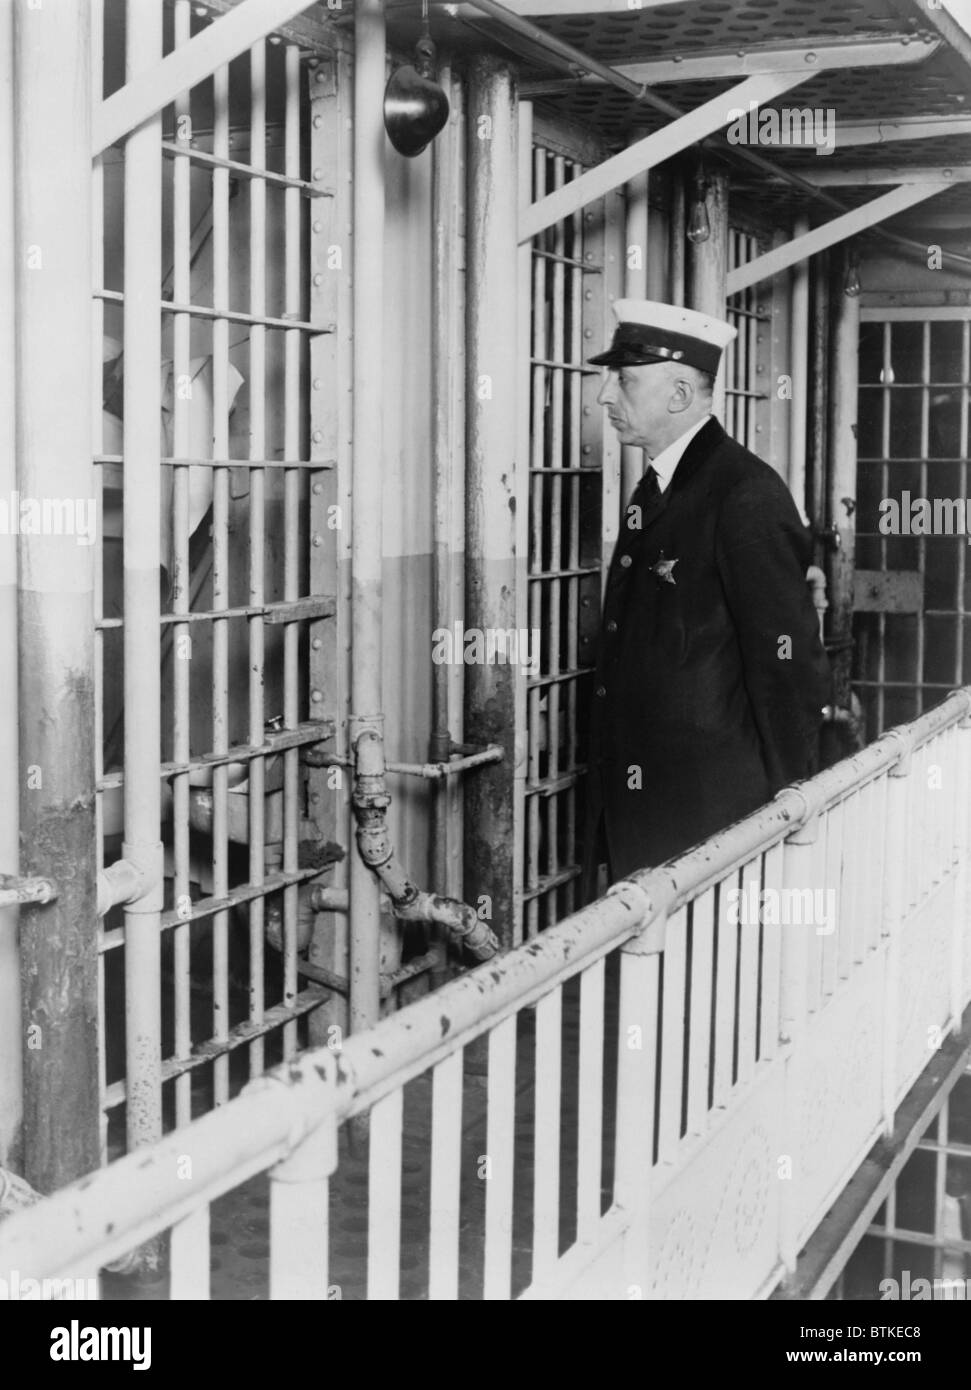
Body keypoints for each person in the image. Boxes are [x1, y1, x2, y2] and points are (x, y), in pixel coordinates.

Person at [584, 299, 831, 887]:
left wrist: (787, 813)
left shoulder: (745, 495)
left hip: (712, 812)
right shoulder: (661, 483)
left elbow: (789, 670)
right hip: (653, 801)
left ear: (677, 395)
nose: (605, 397)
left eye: (624, 379)